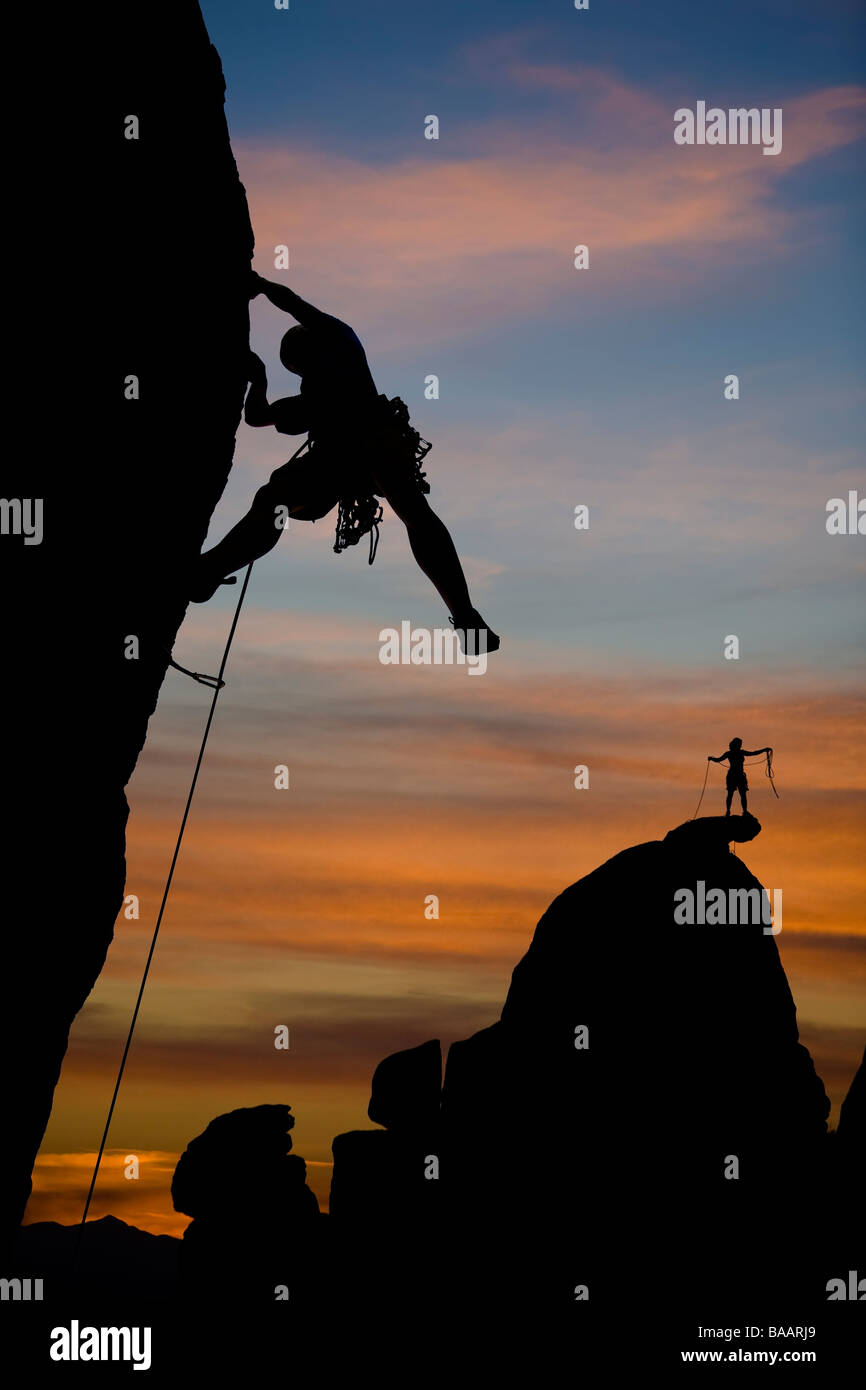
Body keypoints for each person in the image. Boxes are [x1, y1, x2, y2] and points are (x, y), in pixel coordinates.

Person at [190, 272, 499, 655]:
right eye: (298, 367)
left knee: (403, 511)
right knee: (280, 497)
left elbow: (294, 312)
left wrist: (262, 288)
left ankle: (466, 616)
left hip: (368, 442)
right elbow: (259, 417)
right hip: (353, 456)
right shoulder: (315, 393)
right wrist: (260, 378)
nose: (304, 369)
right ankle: (210, 570)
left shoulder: (340, 344)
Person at [708, 738, 772, 815]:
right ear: (736, 744)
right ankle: (732, 811)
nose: (740, 746)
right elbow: (753, 753)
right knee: (734, 794)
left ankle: (740, 811)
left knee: (737, 794)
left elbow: (718, 760)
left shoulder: (730, 753)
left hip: (735, 775)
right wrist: (712, 758)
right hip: (736, 775)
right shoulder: (736, 753)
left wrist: (764, 750)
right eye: (739, 744)